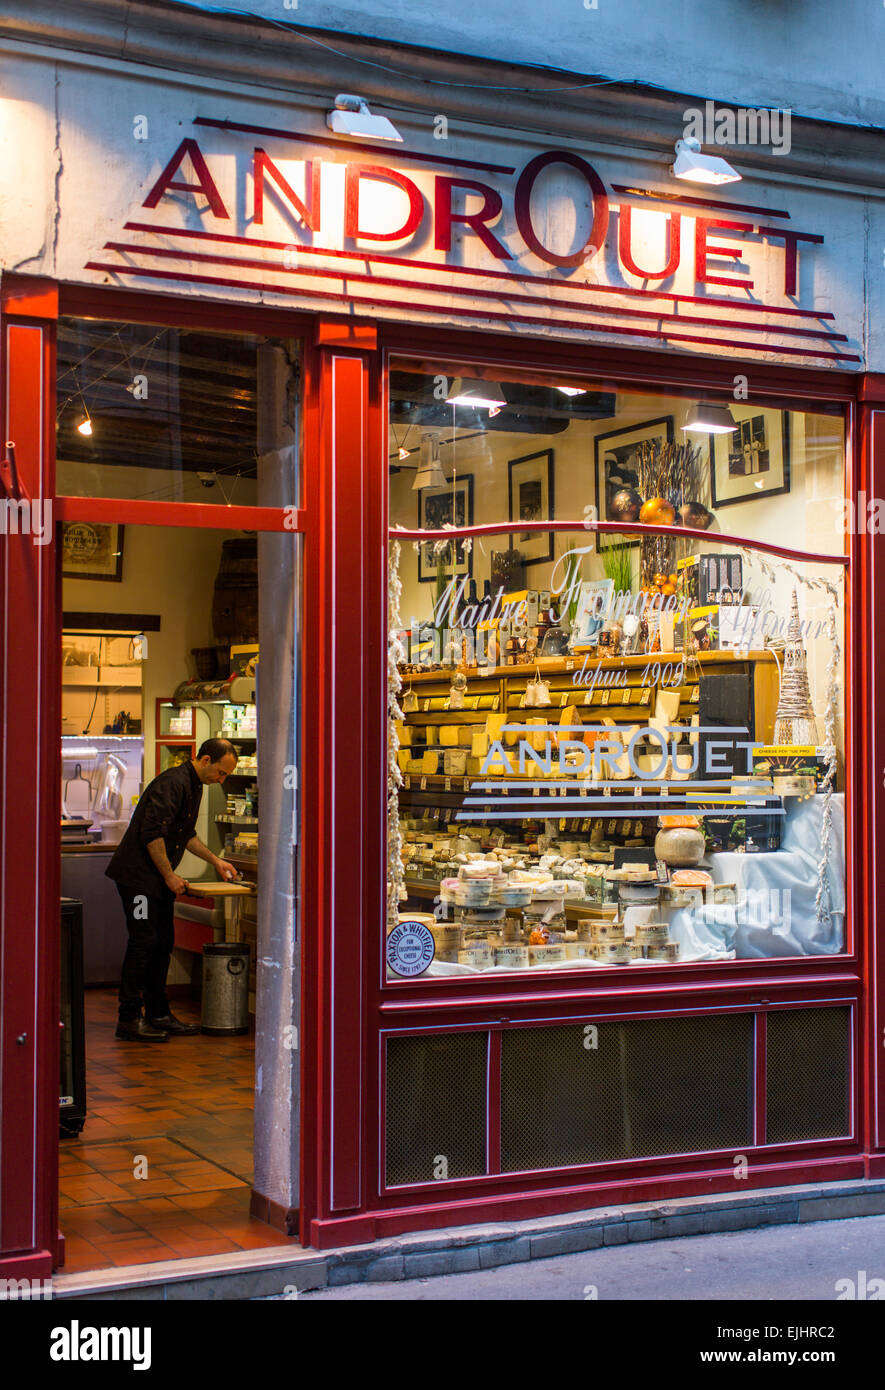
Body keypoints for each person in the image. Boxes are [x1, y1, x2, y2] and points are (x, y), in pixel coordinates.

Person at [106, 738, 239, 1041]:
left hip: (157, 881)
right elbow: (152, 834)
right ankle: (128, 1017)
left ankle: (158, 1013)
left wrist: (216, 861)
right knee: (143, 941)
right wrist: (169, 876)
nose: (222, 780)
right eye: (221, 773)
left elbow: (185, 834)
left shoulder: (195, 786)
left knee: (163, 942)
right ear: (205, 760)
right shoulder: (173, 783)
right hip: (138, 881)